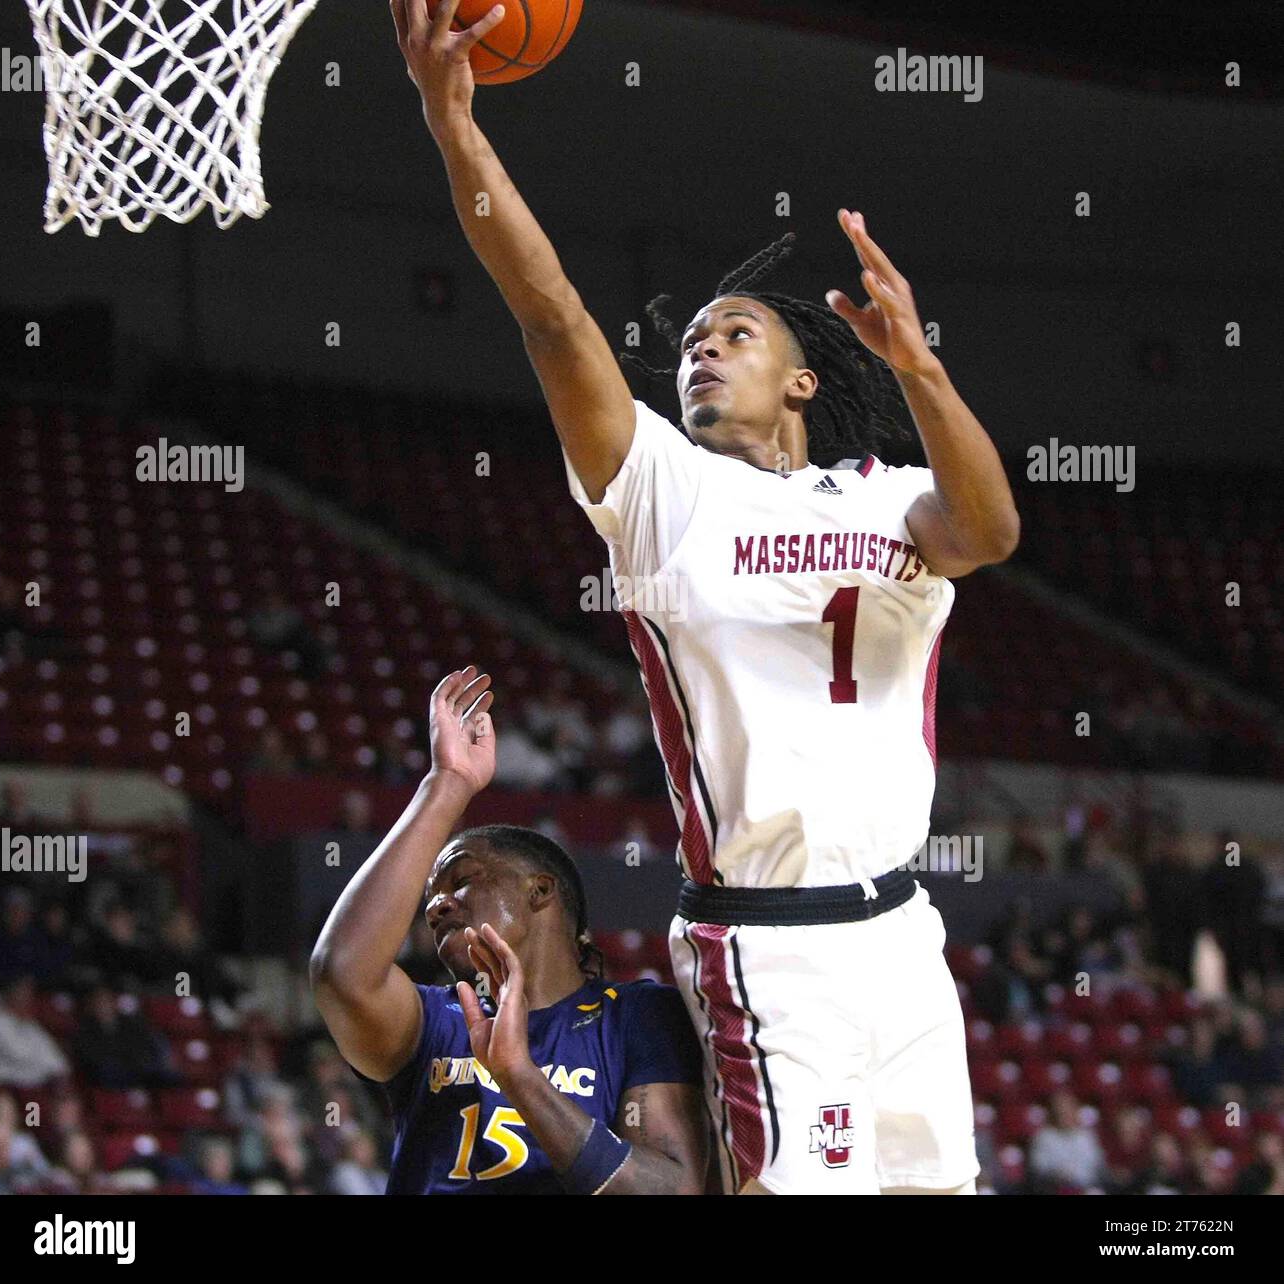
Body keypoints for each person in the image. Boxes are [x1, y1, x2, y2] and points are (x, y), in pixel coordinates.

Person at [391, 0, 1020, 1194]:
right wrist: (453, 125)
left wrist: (922, 368)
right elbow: (549, 311)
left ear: (798, 383)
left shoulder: (889, 495)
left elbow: (988, 533)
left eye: (732, 334)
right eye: (688, 342)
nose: (701, 349)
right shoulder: (659, 494)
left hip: (900, 927)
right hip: (768, 941)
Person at [312, 666, 708, 1194]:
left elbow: (669, 1189)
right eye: (431, 897)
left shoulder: (636, 1016)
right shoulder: (436, 1020)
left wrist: (519, 1075)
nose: (436, 906)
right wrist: (447, 785)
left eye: (462, 880)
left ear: (540, 892)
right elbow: (341, 974)